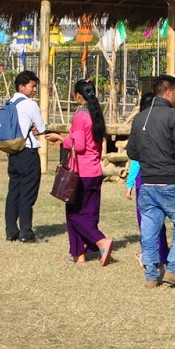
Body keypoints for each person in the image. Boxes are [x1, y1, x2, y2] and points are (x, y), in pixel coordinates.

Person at [125, 76, 175, 288]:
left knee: (149, 229)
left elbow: (131, 151)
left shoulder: (139, 118)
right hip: (171, 180)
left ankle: (151, 274)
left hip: (147, 183)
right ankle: (174, 269)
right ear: (169, 92)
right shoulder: (174, 117)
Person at [48, 79, 113, 266]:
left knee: (74, 214)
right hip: (95, 171)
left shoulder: (80, 116)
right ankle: (78, 254)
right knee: (89, 213)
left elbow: (79, 145)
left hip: (81, 173)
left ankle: (101, 241)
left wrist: (60, 138)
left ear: (78, 96)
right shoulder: (96, 114)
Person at [3, 70, 47, 243]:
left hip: (13, 152)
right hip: (28, 152)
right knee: (28, 193)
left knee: (14, 192)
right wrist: (37, 129)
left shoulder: (9, 103)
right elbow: (42, 128)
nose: (34, 89)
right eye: (32, 86)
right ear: (22, 87)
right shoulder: (30, 105)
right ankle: (26, 232)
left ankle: (11, 231)